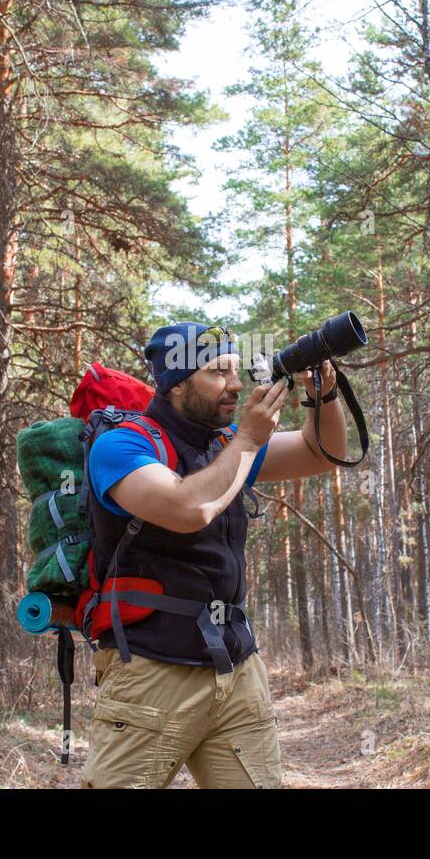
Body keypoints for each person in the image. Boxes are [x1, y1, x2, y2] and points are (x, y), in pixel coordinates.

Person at [80, 321, 348, 788]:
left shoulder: (223, 444)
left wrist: (322, 394)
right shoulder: (123, 446)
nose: (237, 383)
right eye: (218, 371)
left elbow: (318, 453)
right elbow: (189, 508)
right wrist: (248, 439)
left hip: (236, 668)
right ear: (177, 384)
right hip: (150, 671)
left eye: (235, 368)